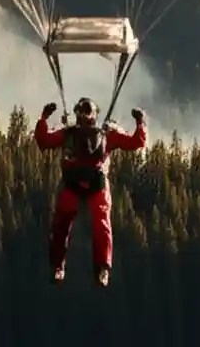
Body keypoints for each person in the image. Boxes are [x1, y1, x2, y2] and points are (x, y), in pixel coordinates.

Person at [34, 97, 147, 287]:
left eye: (87, 112)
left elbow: (135, 142)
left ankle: (97, 268)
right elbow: (44, 140)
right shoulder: (83, 134)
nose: (84, 116)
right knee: (66, 224)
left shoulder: (93, 134)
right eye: (82, 112)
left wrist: (44, 119)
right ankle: (62, 267)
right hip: (81, 185)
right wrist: (140, 123)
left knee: (96, 225)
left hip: (89, 185)